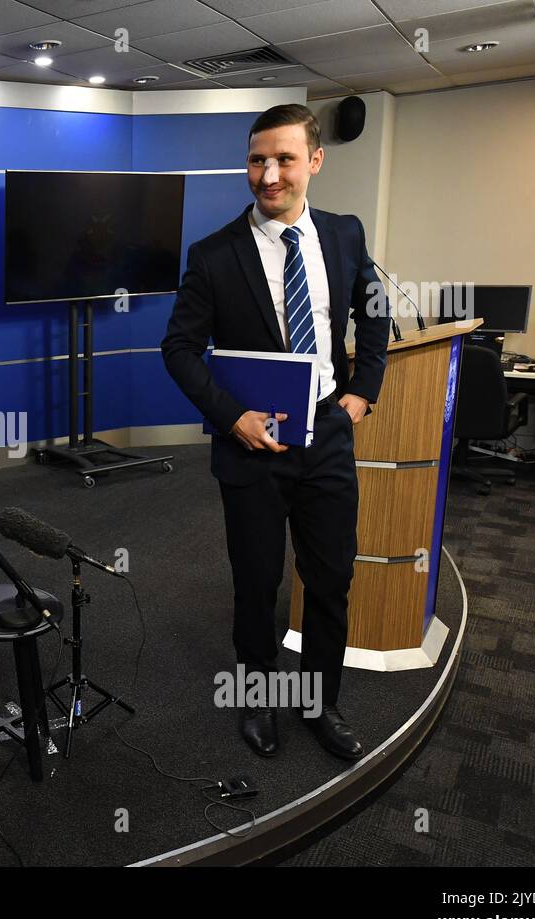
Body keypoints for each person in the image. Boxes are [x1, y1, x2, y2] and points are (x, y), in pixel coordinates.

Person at [161, 104, 391, 761]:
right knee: (257, 584)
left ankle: (322, 704)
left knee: (329, 579)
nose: (268, 174)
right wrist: (231, 415)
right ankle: (256, 701)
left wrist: (361, 395)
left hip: (327, 433)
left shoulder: (344, 235)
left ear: (314, 162)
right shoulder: (213, 255)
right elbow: (178, 349)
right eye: (258, 159)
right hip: (250, 447)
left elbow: (373, 315)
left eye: (284, 159)